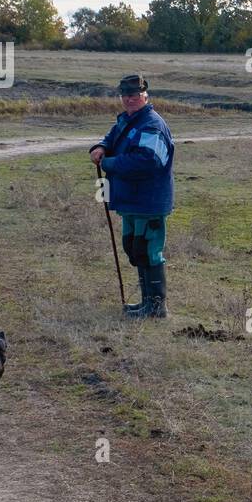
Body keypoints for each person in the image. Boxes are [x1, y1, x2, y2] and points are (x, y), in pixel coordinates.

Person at [89, 74, 175, 319]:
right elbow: (112, 137)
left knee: (149, 251)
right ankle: (147, 301)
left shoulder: (151, 125)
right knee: (135, 249)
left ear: (145, 95)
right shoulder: (128, 120)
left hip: (149, 201)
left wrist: (110, 163)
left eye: (134, 95)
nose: (129, 99)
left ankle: (157, 307)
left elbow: (148, 161)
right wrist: (101, 147)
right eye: (125, 95)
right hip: (132, 201)